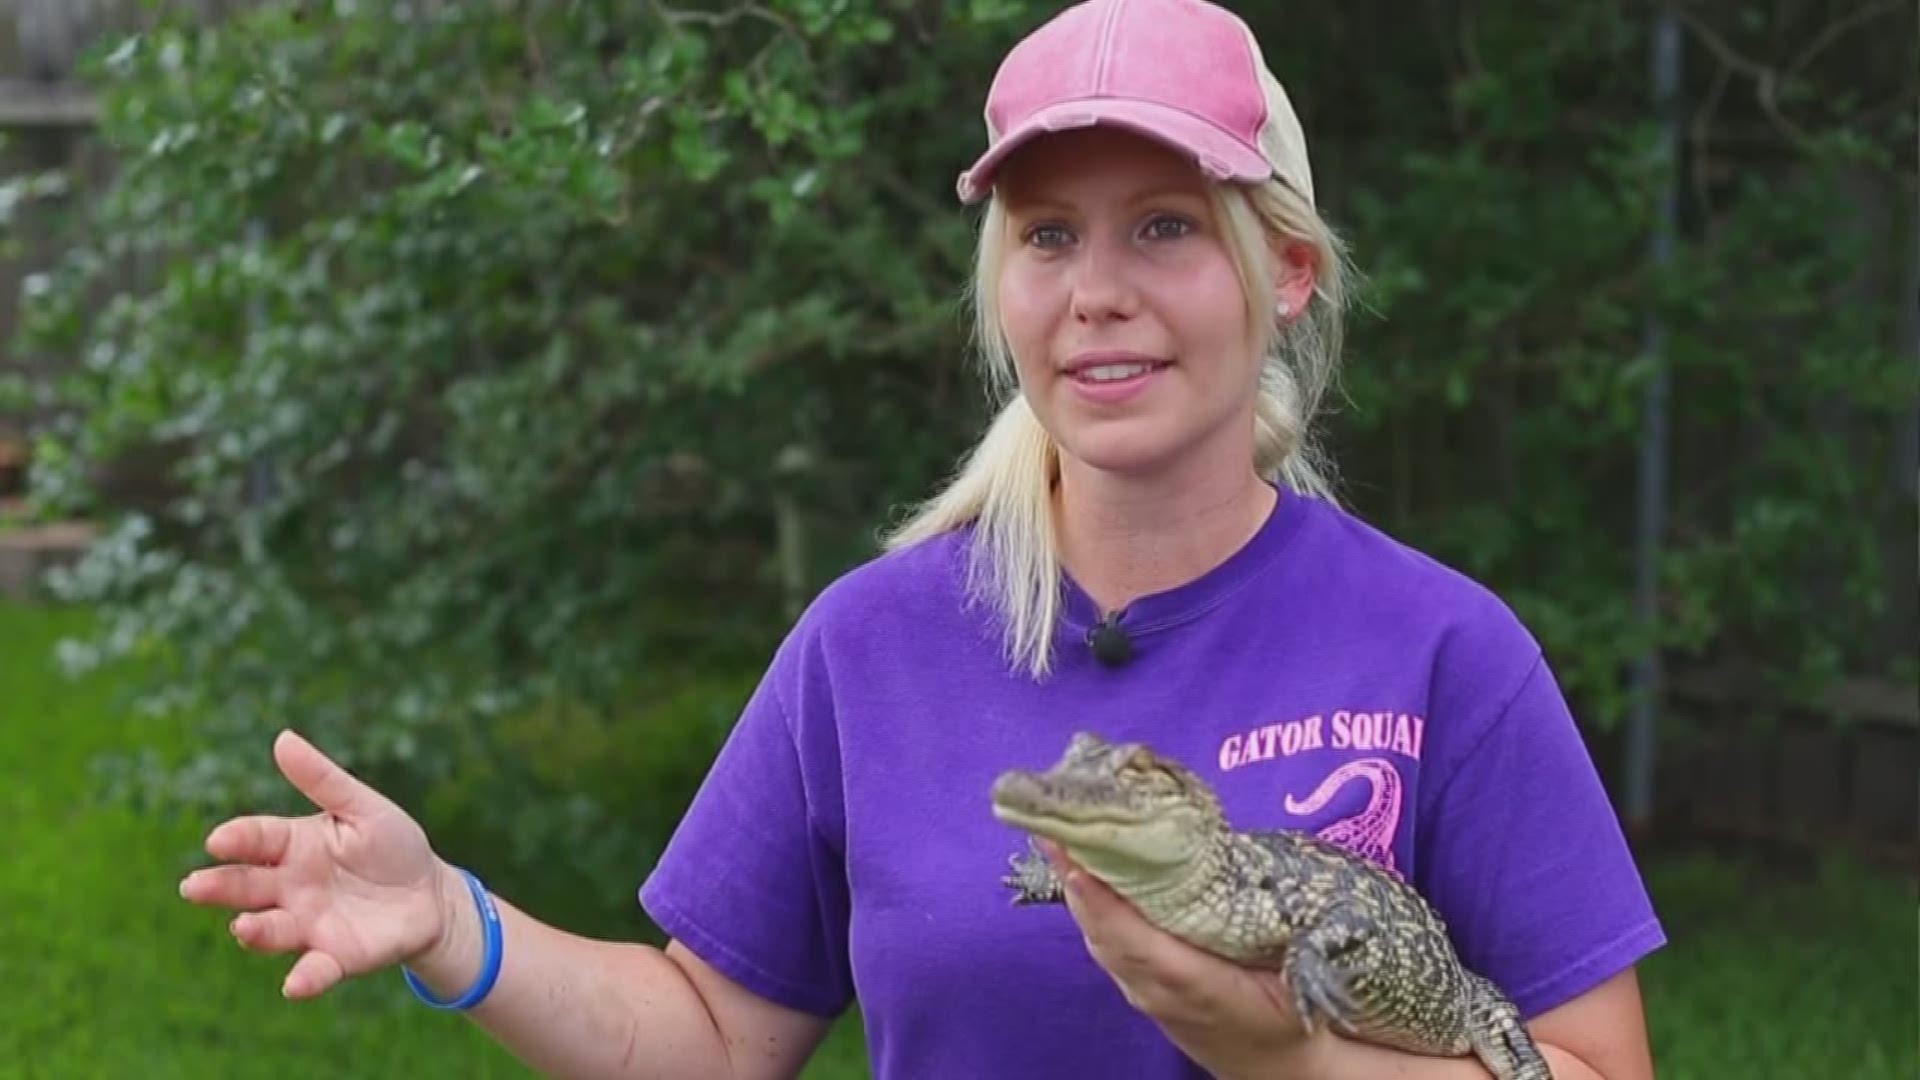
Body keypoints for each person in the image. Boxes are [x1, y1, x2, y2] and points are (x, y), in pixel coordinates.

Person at [178, 0, 1666, 1076]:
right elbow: (705, 1038)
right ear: (1000, 282)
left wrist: (1291, 1065)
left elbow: (1589, 1066)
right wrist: (455, 921)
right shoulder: (870, 645)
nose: (1097, 290)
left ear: (1281, 270)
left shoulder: (1442, 648)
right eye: (1045, 233)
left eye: (1163, 225)